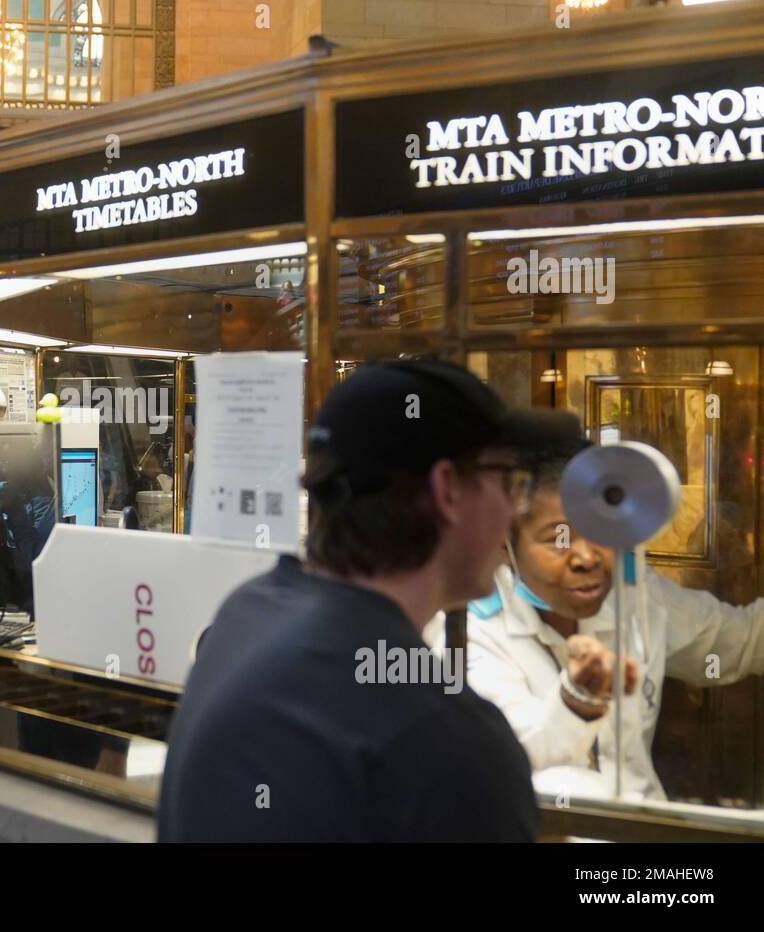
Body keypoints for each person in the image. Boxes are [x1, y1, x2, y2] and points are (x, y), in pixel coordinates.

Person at [158, 360, 577, 842]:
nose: (514, 509)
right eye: (507, 481)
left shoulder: (249, 611)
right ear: (447, 490)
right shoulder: (447, 741)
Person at [454, 436, 764, 802]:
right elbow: (518, 763)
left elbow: (736, 642)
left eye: (600, 530)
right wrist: (578, 700)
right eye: (558, 538)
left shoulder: (631, 594)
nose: (586, 556)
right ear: (504, 545)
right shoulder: (469, 632)